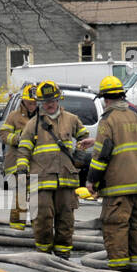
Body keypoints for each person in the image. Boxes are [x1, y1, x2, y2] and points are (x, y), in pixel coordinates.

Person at [14, 80, 91, 258]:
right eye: (45, 102)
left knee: (66, 219)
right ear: (40, 103)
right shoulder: (32, 125)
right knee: (42, 219)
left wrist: (80, 152)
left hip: (66, 178)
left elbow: (84, 138)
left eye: (52, 100)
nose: (49, 104)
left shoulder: (71, 120)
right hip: (40, 179)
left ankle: (63, 254)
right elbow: (24, 149)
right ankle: (44, 253)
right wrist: (22, 169)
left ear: (58, 100)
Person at [87, 76, 137, 269]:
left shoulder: (108, 120)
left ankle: (118, 270)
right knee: (135, 226)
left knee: (115, 226)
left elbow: (101, 156)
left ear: (105, 99)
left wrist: (92, 182)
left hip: (118, 186)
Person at [1, 84, 38, 229]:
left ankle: (37, 227)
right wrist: (19, 139)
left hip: (36, 164)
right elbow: (3, 135)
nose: (33, 106)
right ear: (23, 101)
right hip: (18, 164)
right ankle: (17, 227)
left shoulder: (43, 117)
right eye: (30, 103)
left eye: (35, 103)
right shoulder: (14, 117)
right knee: (20, 196)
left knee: (37, 197)